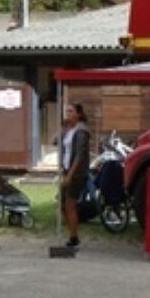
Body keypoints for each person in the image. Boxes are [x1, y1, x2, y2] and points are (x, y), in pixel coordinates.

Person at [61, 103, 91, 249]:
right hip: (66, 169)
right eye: (66, 111)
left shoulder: (81, 132)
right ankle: (73, 235)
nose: (68, 114)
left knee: (69, 204)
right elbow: (58, 143)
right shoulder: (68, 130)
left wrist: (70, 175)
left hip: (76, 173)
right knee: (63, 205)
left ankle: (74, 238)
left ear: (78, 114)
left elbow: (79, 156)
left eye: (71, 111)